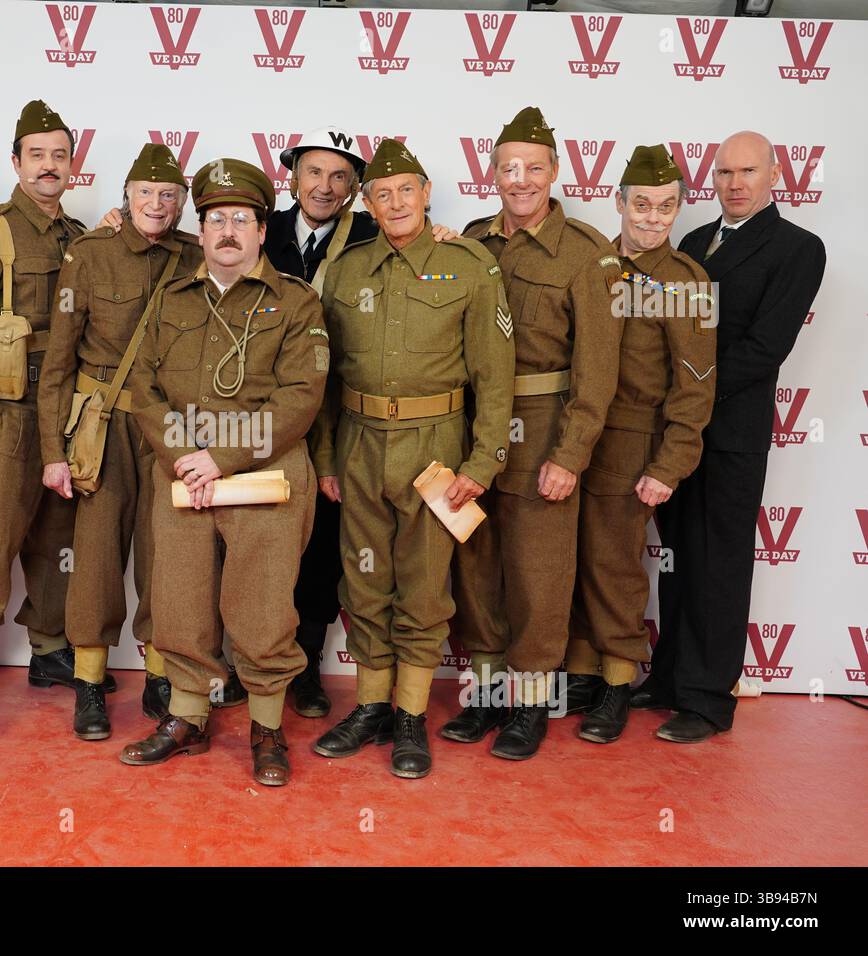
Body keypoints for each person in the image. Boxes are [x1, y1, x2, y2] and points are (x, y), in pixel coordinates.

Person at [310, 140, 515, 778]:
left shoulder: (470, 265)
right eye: (382, 193)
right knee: (364, 583)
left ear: (427, 194)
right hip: (359, 443)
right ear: (366, 202)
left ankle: (409, 717)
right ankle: (371, 706)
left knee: (425, 588)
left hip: (437, 448)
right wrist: (325, 457)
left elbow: (495, 373)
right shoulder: (345, 271)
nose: (395, 202)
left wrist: (485, 461)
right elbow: (325, 376)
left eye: (407, 190)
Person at [119, 158, 327, 786]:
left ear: (264, 231)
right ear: (200, 230)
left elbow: (300, 398)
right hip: (183, 474)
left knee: (262, 611)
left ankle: (266, 728)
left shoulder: (297, 303)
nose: (228, 230)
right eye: (215, 219)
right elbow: (143, 384)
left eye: (241, 219)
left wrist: (222, 456)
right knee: (179, 605)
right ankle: (187, 719)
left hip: (265, 478)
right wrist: (185, 454)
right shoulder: (171, 298)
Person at [443, 107, 624, 760]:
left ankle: (529, 706)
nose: (520, 180)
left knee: (539, 576)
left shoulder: (587, 252)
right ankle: (489, 696)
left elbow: (598, 369)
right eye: (508, 167)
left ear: (554, 173)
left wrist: (570, 454)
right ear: (492, 173)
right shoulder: (468, 240)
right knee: (478, 566)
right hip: (474, 433)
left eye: (534, 168)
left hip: (544, 430)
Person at [639, 131, 825, 742]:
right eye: (723, 172)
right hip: (677, 434)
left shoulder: (799, 248)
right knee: (675, 559)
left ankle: (707, 701)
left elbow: (766, 348)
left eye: (747, 170)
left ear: (776, 175)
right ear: (710, 179)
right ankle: (668, 678)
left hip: (730, 434)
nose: (735, 182)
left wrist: (689, 398)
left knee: (718, 565)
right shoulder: (694, 241)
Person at [0, 100, 103, 744]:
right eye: (36, 155)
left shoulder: (78, 236)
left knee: (56, 536)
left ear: (72, 166)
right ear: (15, 162)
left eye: (59, 156)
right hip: (8, 411)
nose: (48, 166)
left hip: (62, 411)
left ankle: (49, 649)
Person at [37, 143, 203, 739]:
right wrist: (53, 453)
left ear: (183, 204)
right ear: (124, 198)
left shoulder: (196, 255)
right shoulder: (90, 254)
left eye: (168, 196)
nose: (156, 204)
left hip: (167, 430)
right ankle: (88, 682)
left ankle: (161, 677)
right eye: (144, 194)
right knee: (98, 559)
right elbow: (57, 361)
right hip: (102, 428)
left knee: (167, 556)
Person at [564, 145, 716, 743]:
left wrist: (670, 465)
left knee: (615, 566)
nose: (653, 218)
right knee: (569, 561)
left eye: (667, 208)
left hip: (631, 442)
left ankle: (618, 683)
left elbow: (696, 385)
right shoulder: (592, 265)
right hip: (574, 433)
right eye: (643, 205)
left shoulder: (685, 282)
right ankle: (580, 673)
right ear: (619, 202)